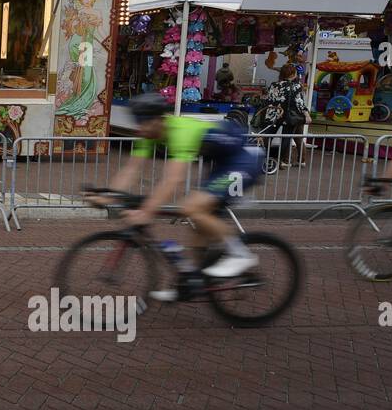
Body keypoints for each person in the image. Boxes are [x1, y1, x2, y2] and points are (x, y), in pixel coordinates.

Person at [99, 93, 264, 301]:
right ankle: (192, 281)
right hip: (223, 164)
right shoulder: (150, 135)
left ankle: (240, 254)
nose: (140, 129)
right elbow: (131, 170)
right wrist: (106, 195)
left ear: (159, 119)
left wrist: (145, 212)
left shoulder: (180, 132)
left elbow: (172, 180)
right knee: (197, 222)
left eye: (144, 123)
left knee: (191, 207)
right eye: (138, 123)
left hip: (245, 160)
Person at [264, 63, 308, 168]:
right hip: (291, 116)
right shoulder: (296, 86)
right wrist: (306, 114)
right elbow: (299, 102)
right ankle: (287, 161)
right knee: (289, 138)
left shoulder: (274, 84)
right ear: (293, 74)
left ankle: (263, 156)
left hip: (274, 114)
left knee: (268, 136)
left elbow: (269, 99)